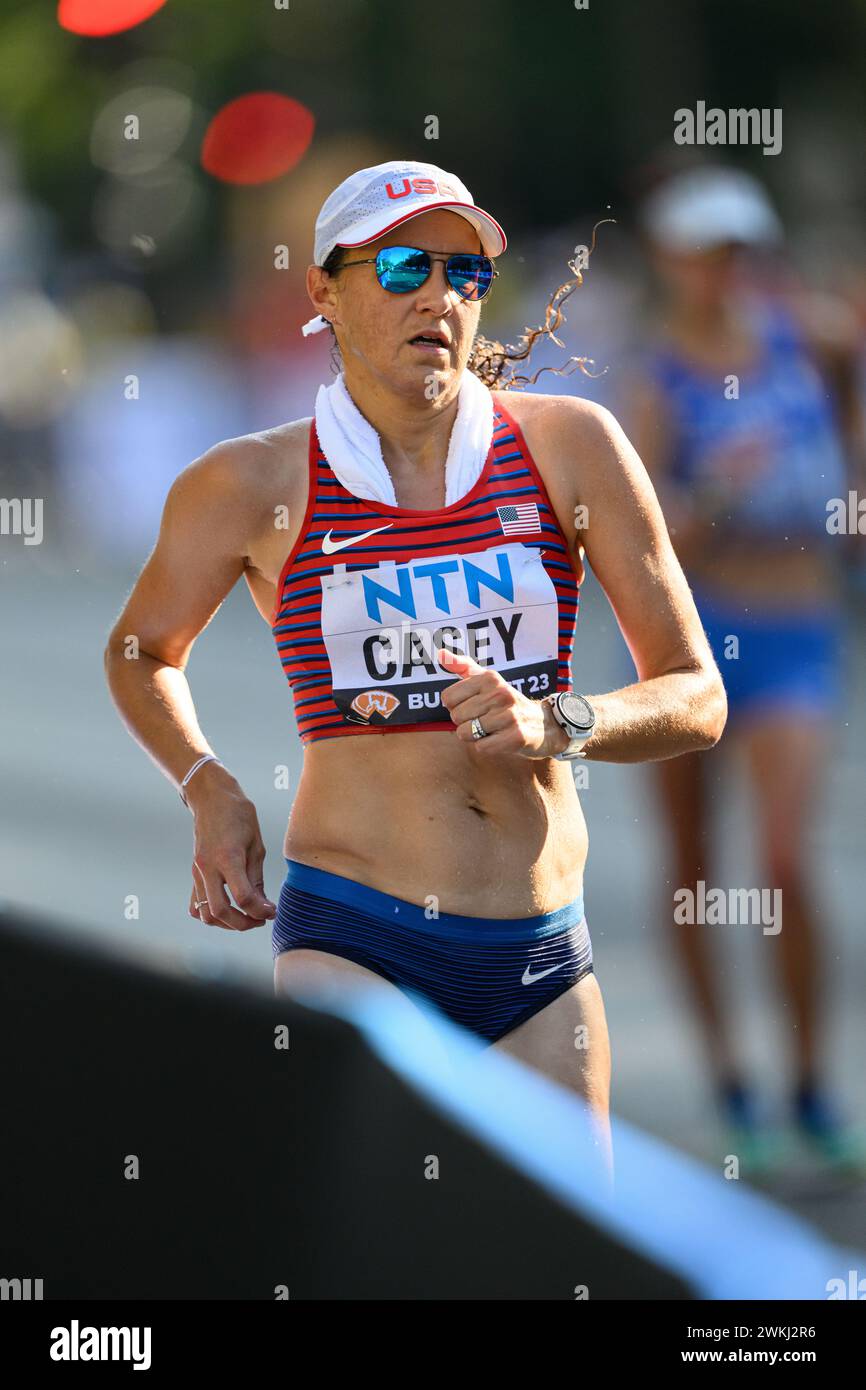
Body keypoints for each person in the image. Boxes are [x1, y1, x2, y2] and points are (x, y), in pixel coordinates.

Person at [104, 160, 727, 1177]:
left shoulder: (570, 446)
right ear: (323, 289)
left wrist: (558, 722)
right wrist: (205, 782)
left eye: (464, 271)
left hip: (536, 960)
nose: (438, 293)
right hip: (354, 939)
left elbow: (695, 693)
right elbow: (140, 651)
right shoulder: (249, 481)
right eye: (401, 265)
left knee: (551, 1271)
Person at [628, 165, 865, 1169]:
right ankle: (732, 1084)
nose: (724, 269)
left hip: (795, 628)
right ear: (670, 258)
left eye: (738, 249)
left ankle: (812, 1083)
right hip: (688, 641)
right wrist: (716, 494)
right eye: (704, 250)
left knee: (779, 859)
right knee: (690, 869)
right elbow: (640, 540)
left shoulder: (810, 339)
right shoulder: (653, 380)